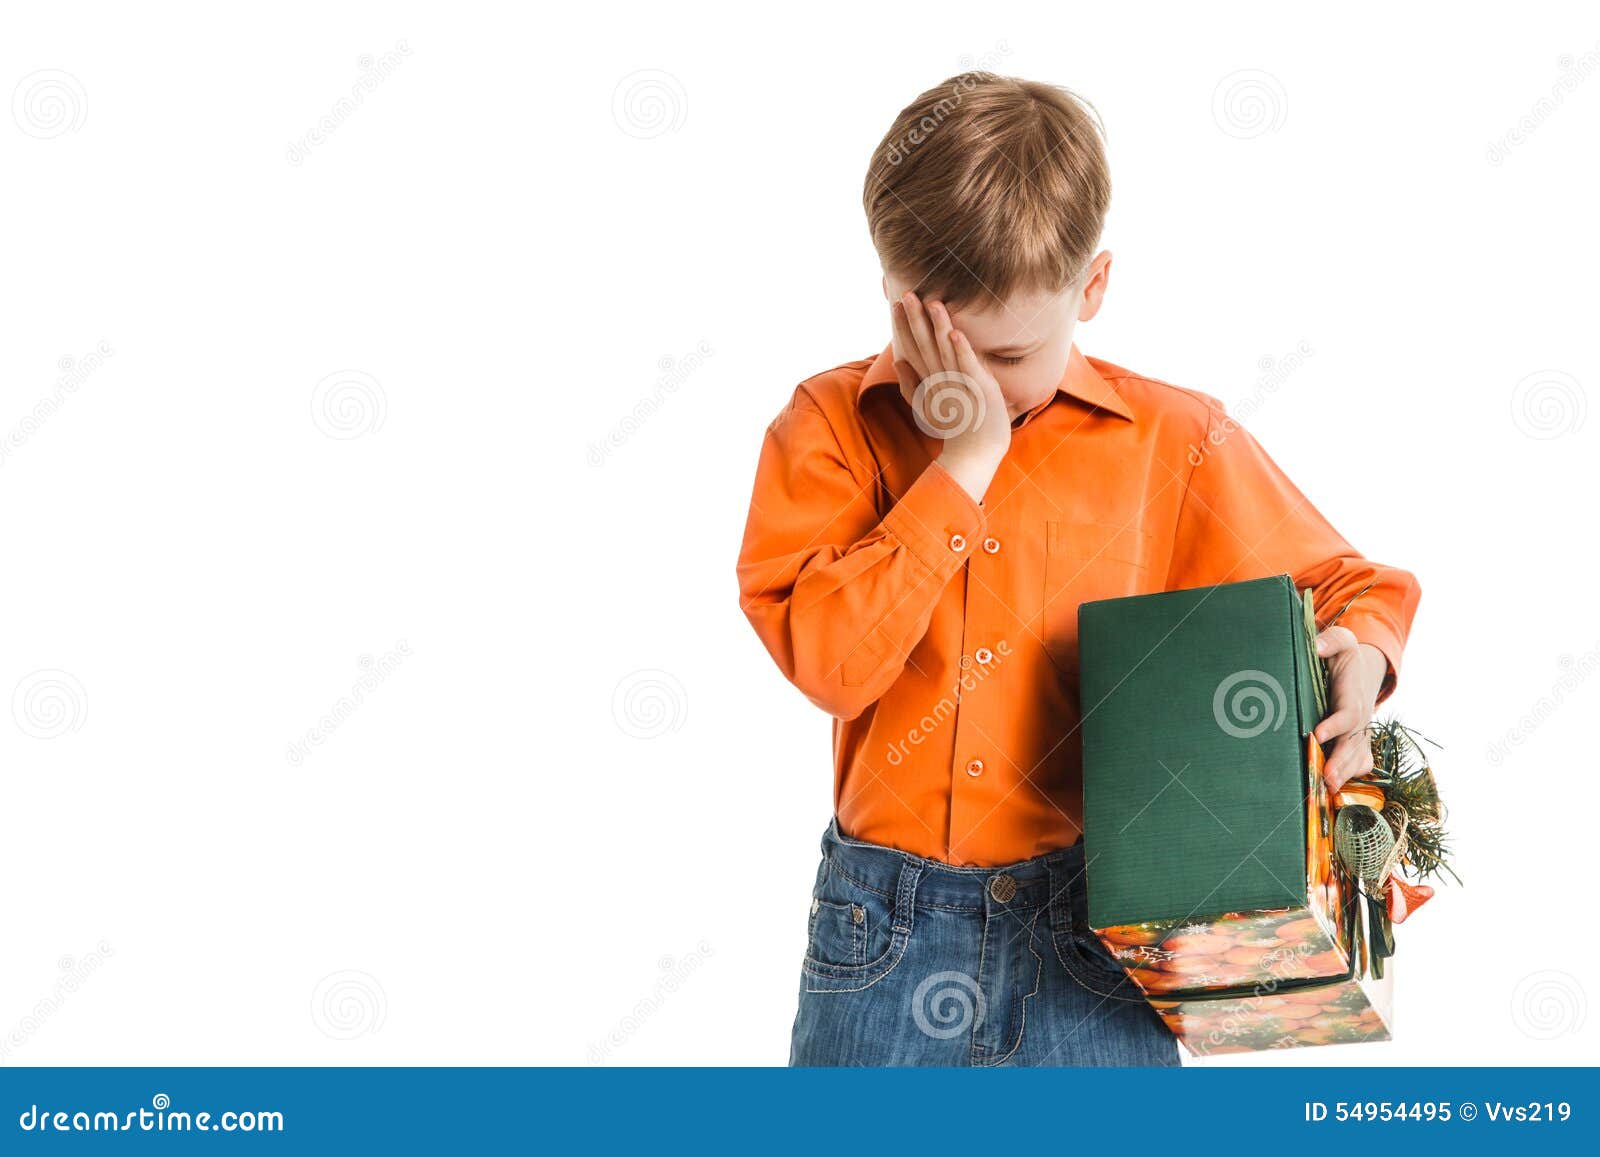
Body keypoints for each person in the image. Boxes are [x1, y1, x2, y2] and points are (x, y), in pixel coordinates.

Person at [734, 73, 1421, 1066]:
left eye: (1003, 354)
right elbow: (833, 666)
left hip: (1096, 941)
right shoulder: (827, 429)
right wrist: (961, 471)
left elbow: (1347, 584)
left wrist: (1358, 655)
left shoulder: (1171, 438)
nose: (959, 385)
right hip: (880, 934)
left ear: (1090, 289)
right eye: (924, 339)